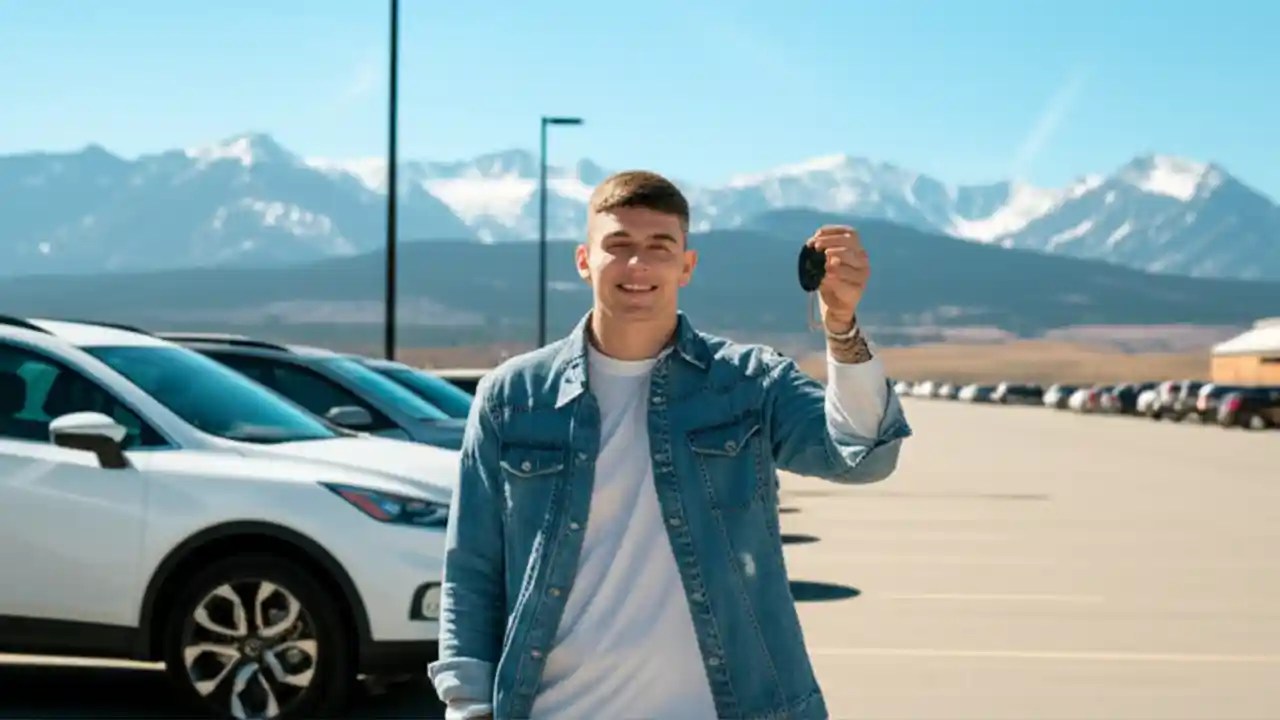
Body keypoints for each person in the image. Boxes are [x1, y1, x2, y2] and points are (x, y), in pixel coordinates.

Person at [427, 170, 912, 720]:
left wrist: (841, 327)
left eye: (659, 247)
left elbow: (863, 455)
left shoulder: (747, 383)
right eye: (619, 246)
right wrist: (467, 706)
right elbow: (472, 568)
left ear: (687, 266)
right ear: (584, 260)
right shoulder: (512, 397)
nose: (639, 265)